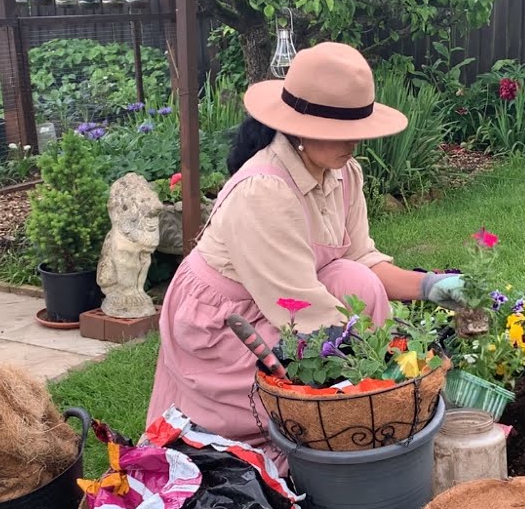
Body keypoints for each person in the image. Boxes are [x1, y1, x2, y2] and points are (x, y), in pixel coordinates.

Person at [147, 42, 465, 470]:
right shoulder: (265, 192)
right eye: (337, 131)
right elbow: (300, 312)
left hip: (290, 304)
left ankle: (354, 420)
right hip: (227, 325)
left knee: (356, 281)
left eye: (357, 128)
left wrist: (430, 286)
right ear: (296, 126)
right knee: (321, 393)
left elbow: (362, 259)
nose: (351, 142)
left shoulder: (344, 172)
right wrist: (395, 361)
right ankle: (323, 439)